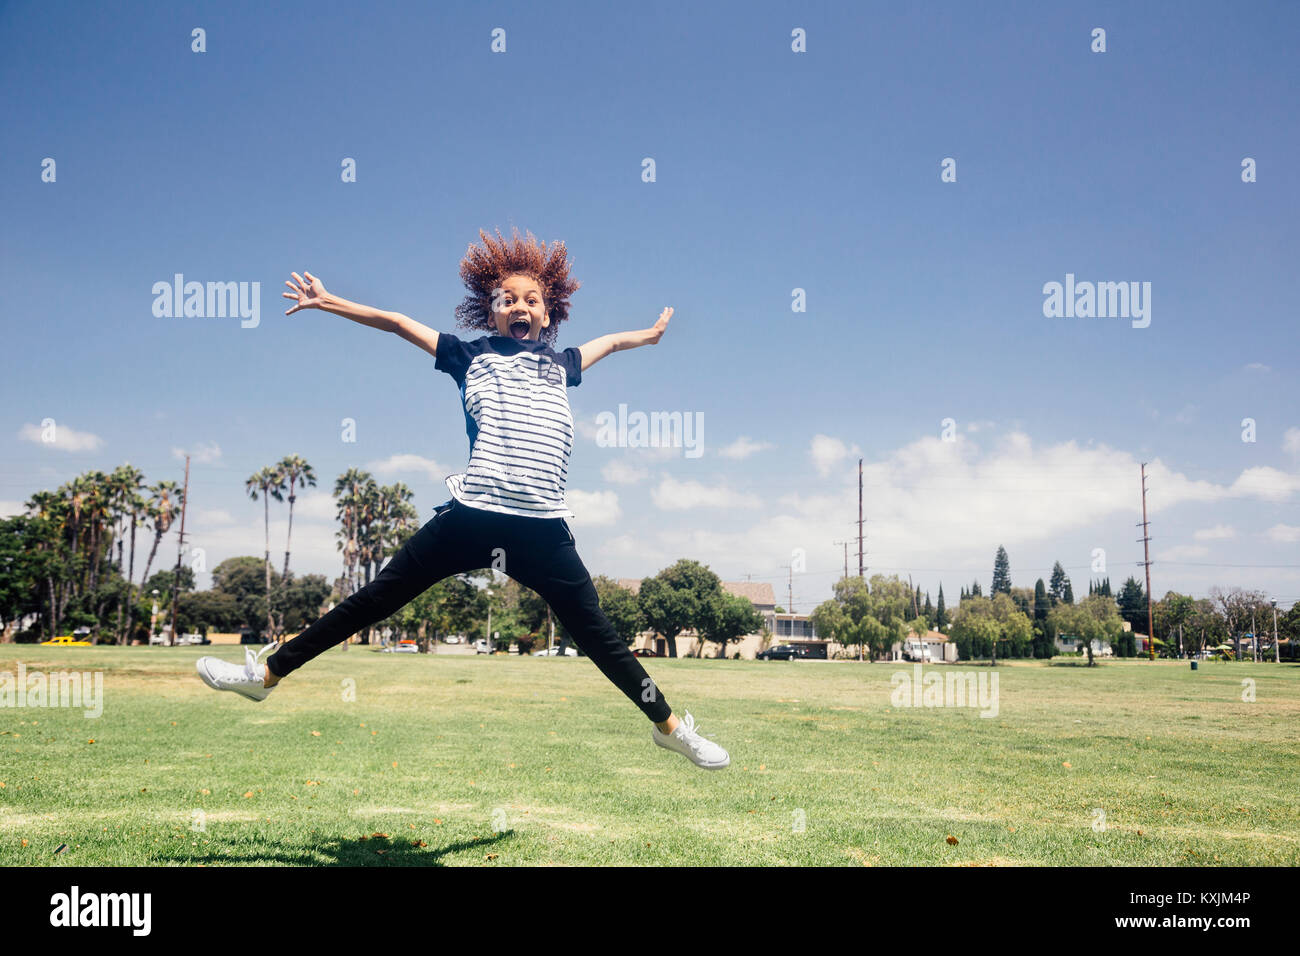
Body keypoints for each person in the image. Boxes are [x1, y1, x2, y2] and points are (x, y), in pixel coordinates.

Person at [196, 227, 729, 770]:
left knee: (599, 636)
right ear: (491, 311)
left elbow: (611, 341)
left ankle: (670, 729)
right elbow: (399, 323)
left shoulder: (562, 365)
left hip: (542, 527)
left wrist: (650, 335)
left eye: (531, 299)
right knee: (375, 598)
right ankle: (265, 675)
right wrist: (328, 301)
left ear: (548, 314)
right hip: (471, 515)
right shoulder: (466, 355)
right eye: (507, 299)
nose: (519, 305)